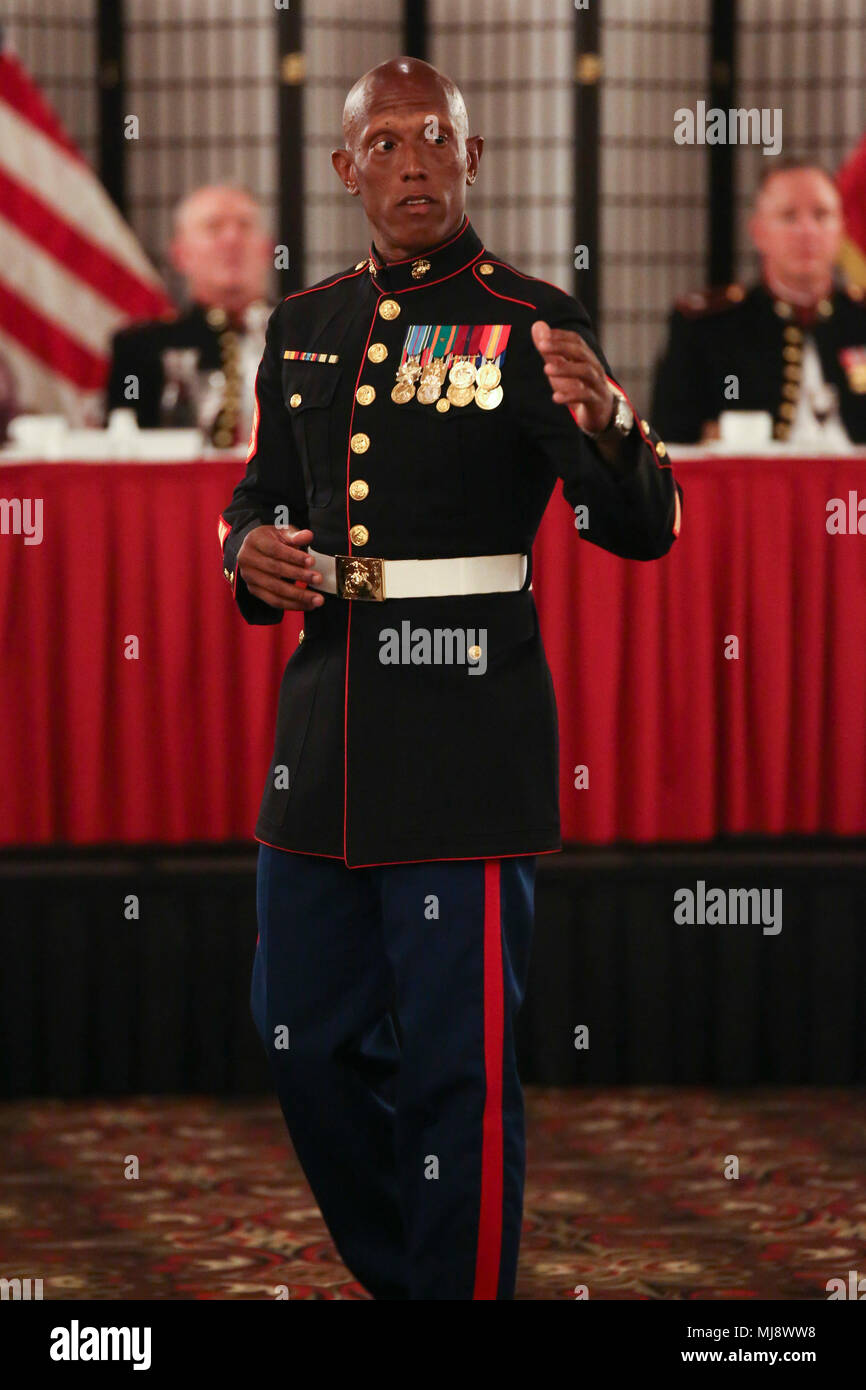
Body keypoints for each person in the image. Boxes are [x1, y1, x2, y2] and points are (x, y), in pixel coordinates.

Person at [218, 56, 682, 1301]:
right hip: (319, 749)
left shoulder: (531, 319)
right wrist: (241, 548)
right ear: (344, 168)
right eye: (383, 141)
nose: (411, 160)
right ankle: (407, 1273)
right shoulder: (302, 324)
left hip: (464, 747)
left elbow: (642, 528)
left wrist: (613, 434)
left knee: (454, 1073)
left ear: (473, 158)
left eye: (435, 137)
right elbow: (264, 491)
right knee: (301, 1042)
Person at [651, 161, 866, 445]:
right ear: (758, 232)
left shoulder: (859, 319)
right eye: (789, 216)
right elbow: (672, 443)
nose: (807, 230)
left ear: (842, 229)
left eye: (821, 215)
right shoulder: (708, 328)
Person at [106, 184, 272, 444]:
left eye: (245, 226)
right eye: (214, 227)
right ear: (180, 254)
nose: (232, 239)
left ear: (267, 248)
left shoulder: (307, 338)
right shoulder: (141, 349)